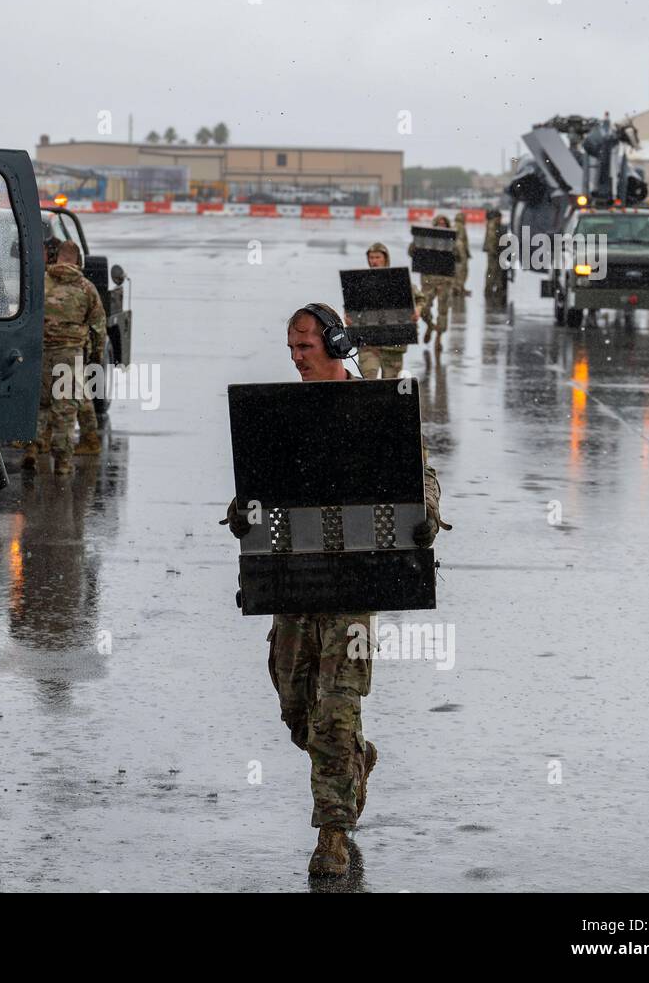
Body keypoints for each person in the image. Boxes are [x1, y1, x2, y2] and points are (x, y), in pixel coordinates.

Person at [221, 303, 447, 879]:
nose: (297, 358)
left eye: (306, 347)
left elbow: (421, 474)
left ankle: (332, 834)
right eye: (291, 348)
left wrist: (427, 515)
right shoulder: (281, 410)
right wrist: (241, 513)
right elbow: (259, 485)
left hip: (354, 577)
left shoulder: (375, 406)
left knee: (335, 710)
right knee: (296, 706)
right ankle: (354, 760)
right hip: (294, 576)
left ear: (334, 342)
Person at [24, 239, 106, 474]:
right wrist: (97, 355)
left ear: (56, 257)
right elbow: (99, 326)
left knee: (38, 406)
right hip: (69, 355)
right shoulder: (86, 288)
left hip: (38, 354)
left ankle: (31, 448)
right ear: (78, 260)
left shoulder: (40, 283)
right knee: (65, 410)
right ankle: (62, 463)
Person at [354, 242, 422, 380]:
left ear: (385, 258)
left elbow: (420, 298)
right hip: (368, 341)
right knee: (368, 380)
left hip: (393, 342)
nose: (374, 261)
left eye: (377, 257)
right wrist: (350, 318)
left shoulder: (398, 281)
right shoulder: (361, 282)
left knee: (391, 384)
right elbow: (352, 307)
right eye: (371, 258)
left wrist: (417, 311)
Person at [416, 214, 455, 346]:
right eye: (439, 223)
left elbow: (460, 256)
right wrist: (420, 243)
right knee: (423, 308)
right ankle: (430, 325)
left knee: (443, 311)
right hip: (428, 280)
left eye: (444, 223)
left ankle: (439, 336)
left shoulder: (452, 239)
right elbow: (412, 251)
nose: (441, 226)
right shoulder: (426, 239)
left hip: (445, 280)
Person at [482, 208, 507, 307]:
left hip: (493, 251)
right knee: (493, 270)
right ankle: (490, 289)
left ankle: (491, 288)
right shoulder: (493, 225)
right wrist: (494, 251)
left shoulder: (492, 224)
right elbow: (492, 239)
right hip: (493, 252)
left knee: (492, 270)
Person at [452, 211, 470, 298]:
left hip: (461, 253)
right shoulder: (459, 226)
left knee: (461, 271)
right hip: (460, 253)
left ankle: (460, 287)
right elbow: (458, 241)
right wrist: (459, 253)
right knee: (460, 271)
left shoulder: (459, 226)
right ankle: (457, 288)